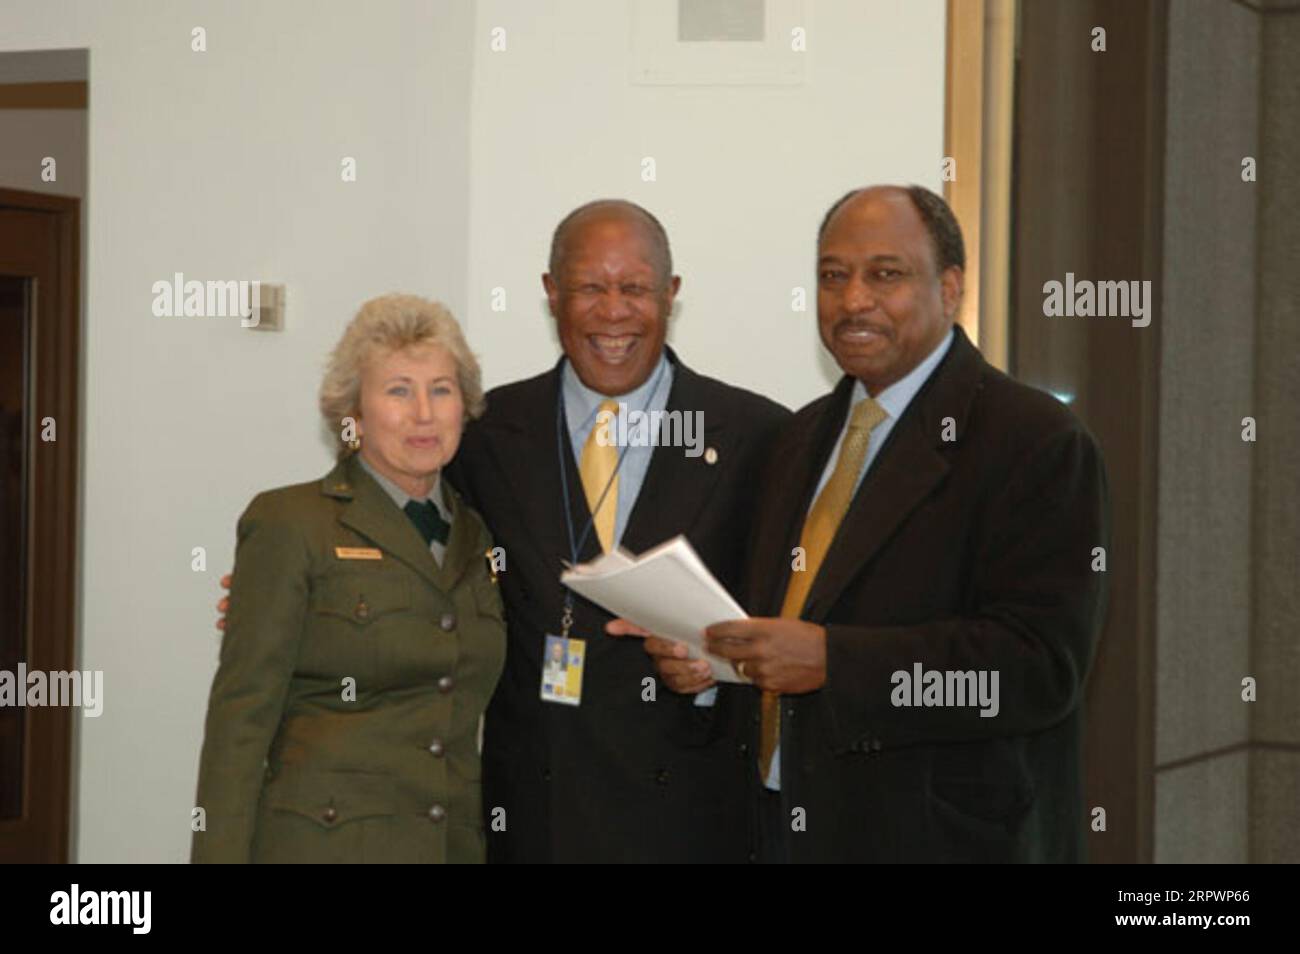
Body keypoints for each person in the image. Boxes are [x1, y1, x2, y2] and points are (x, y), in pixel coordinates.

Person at [637, 185, 1110, 862]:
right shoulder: (796, 440)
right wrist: (715, 668)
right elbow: (783, 627)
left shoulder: (1036, 442)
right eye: (833, 276)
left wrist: (835, 662)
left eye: (885, 274)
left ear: (951, 290)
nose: (853, 299)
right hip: (775, 829)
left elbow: (1039, 668)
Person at [446, 199, 790, 862]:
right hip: (531, 816)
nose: (612, 312)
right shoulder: (485, 433)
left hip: (691, 817)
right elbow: (418, 547)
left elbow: (794, 615)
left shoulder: (759, 437)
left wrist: (718, 670)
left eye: (634, 288)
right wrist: (311, 582)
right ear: (550, 293)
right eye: (588, 288)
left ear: (672, 294)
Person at [193, 294, 505, 863]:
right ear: (353, 416)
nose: (423, 413)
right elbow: (241, 719)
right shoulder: (291, 523)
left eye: (441, 389)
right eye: (398, 390)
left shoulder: (478, 538)